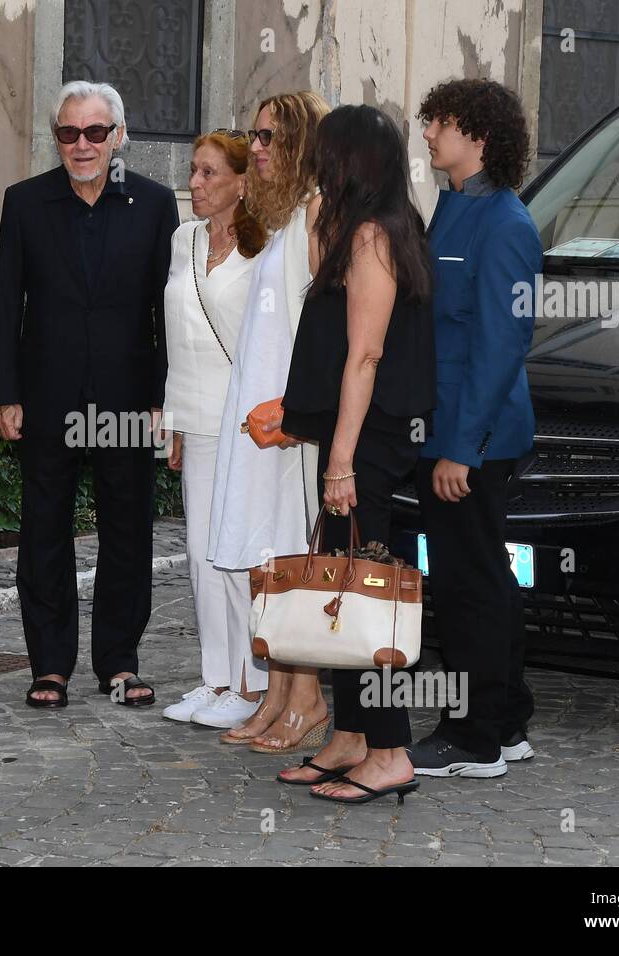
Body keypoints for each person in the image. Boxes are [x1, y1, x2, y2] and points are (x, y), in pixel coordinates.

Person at [0, 80, 179, 708]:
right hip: (48, 397)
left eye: (96, 132)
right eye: (69, 133)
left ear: (118, 136)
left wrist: (162, 398)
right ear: (57, 139)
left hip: (127, 401)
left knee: (129, 530)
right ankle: (50, 664)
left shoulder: (153, 206)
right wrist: (4, 393)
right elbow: (6, 302)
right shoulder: (24, 202)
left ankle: (120, 660)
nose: (82, 145)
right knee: (45, 529)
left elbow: (165, 309)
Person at [273, 105, 435, 803]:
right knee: (341, 586)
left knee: (366, 594)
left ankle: (391, 748)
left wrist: (340, 460)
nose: (316, 164)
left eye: (326, 154)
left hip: (366, 439)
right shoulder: (359, 228)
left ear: (350, 161)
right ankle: (350, 736)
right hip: (356, 435)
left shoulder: (376, 236)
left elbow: (365, 354)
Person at [406, 78, 541, 778]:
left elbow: (499, 347)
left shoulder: (506, 224)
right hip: (448, 432)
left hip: (473, 440)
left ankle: (473, 737)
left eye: (441, 123)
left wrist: (461, 449)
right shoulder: (453, 207)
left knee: (469, 586)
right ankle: (507, 721)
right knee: (481, 577)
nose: (429, 133)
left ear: (479, 138)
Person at [208, 91, 327, 752]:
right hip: (253, 413)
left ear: (302, 145)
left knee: (291, 559)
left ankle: (305, 698)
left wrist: (300, 411)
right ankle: (277, 694)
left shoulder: (318, 214)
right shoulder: (280, 219)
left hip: (288, 424)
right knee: (264, 560)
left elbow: (328, 330)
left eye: (269, 137)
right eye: (251, 135)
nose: (255, 148)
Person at [160, 129, 269, 728]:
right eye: (193, 172)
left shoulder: (267, 248)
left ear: (240, 182)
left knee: (241, 556)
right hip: (196, 419)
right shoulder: (183, 240)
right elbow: (175, 338)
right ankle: (215, 677)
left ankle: (254, 685)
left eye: (208, 174)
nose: (195, 184)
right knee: (201, 553)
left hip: (249, 423)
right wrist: (172, 421)